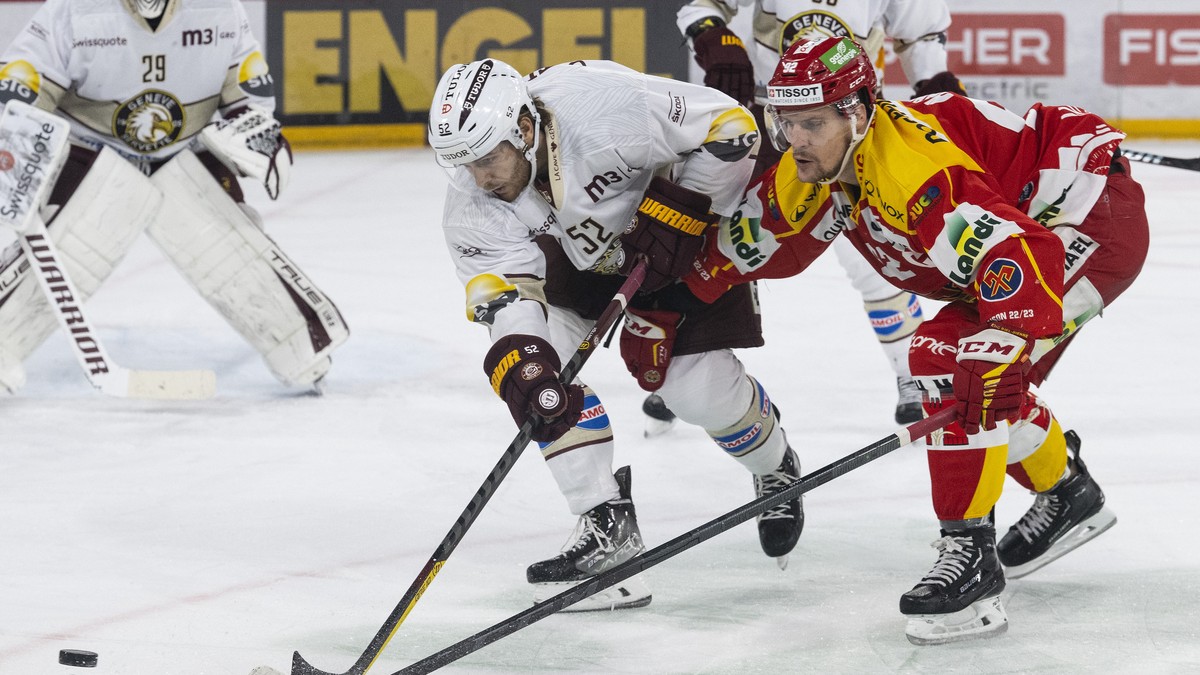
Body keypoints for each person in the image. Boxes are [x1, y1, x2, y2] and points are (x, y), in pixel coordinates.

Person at [684, 36, 1146, 643]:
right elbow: (760, 233)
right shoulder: (822, 161)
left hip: (1087, 219)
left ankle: (971, 557)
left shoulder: (911, 170)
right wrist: (671, 302)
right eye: (786, 120)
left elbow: (1017, 250)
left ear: (857, 113)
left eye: (813, 122)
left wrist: (1005, 334)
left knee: (954, 360)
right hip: (1025, 224)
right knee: (963, 367)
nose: (795, 138)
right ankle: (1068, 492)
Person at [428, 57, 806, 609]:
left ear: (525, 130)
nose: (479, 179)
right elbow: (503, 296)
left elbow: (731, 129)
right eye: (463, 165)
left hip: (681, 246)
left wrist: (681, 218)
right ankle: (606, 526)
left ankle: (776, 468)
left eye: (487, 159)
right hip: (583, 261)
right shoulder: (473, 201)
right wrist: (525, 361)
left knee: (692, 391)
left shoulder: (600, 105)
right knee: (537, 376)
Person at [642, 0, 970, 432]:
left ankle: (910, 373)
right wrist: (712, 35)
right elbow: (701, 5)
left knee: (875, 249)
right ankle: (694, 364)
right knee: (727, 239)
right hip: (769, 120)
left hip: (849, 127)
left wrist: (934, 80)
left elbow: (921, 31)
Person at [0, 0, 348, 392]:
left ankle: (297, 343)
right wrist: (12, 140)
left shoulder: (221, 10)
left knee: (226, 245)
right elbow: (21, 85)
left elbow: (246, 98)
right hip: (92, 150)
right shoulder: (73, 10)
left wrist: (261, 137)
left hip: (185, 149)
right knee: (72, 241)